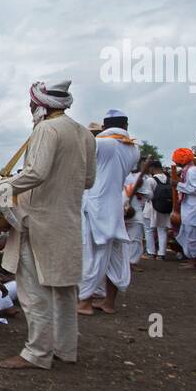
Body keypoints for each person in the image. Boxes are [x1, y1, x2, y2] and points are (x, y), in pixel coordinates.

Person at [0, 80, 96, 368]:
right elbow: (89, 181)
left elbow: (35, 174)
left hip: (37, 223)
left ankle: (37, 353)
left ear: (41, 106)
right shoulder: (85, 134)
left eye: (31, 104)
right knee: (64, 290)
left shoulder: (46, 129)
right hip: (67, 221)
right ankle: (65, 349)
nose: (30, 108)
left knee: (34, 292)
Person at [78, 111, 140, 315]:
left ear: (105, 127)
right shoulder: (133, 149)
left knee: (92, 256)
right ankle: (109, 303)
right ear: (126, 124)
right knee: (115, 257)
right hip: (115, 207)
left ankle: (85, 302)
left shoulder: (105, 144)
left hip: (96, 208)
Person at [173, 148, 196, 261]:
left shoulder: (192, 171)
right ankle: (190, 258)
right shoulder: (187, 171)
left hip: (195, 210)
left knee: (194, 239)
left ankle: (194, 259)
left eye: (176, 160)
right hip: (189, 210)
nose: (175, 163)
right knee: (186, 236)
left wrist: (178, 185)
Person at [144, 159, 174, 258]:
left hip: (151, 208)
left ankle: (151, 252)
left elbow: (149, 195)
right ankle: (162, 253)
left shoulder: (150, 180)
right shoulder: (169, 179)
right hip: (165, 207)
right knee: (162, 230)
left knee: (149, 230)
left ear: (152, 168)